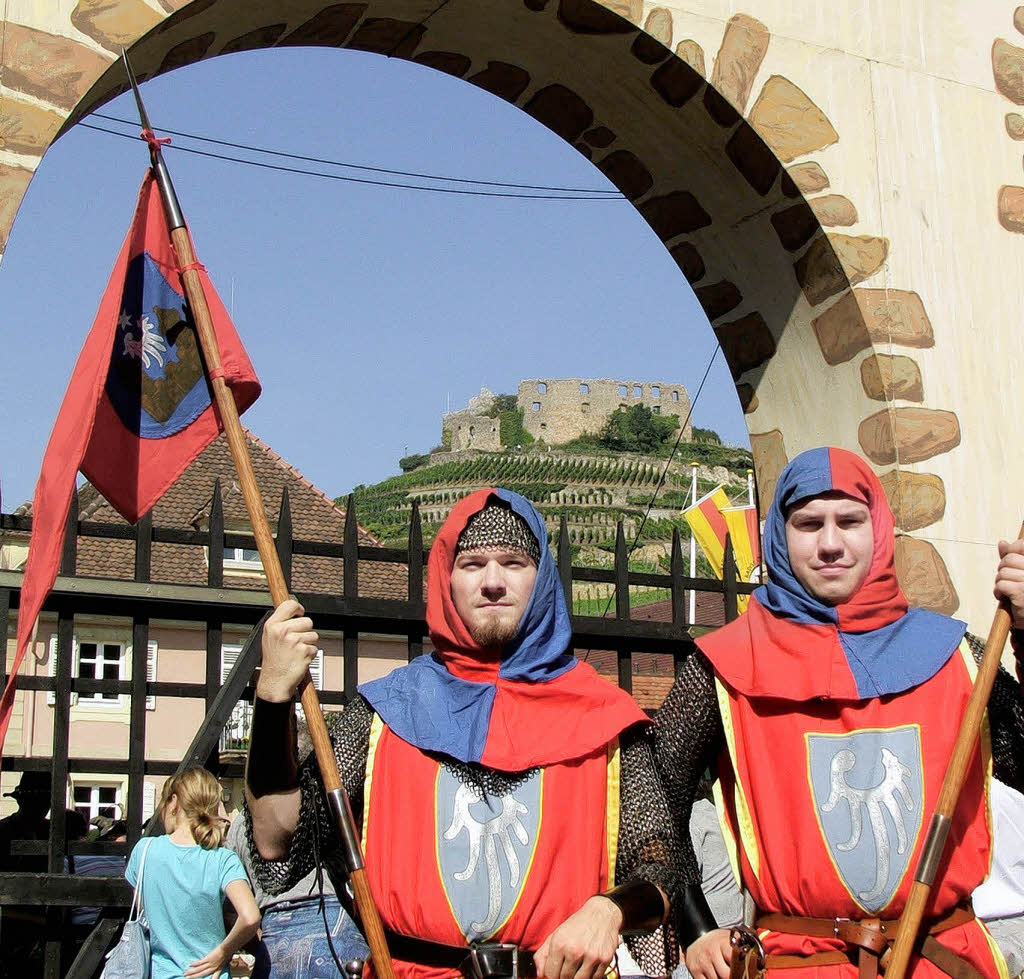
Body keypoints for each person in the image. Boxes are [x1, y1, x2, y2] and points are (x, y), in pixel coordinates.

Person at [245, 488, 686, 979]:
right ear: (446, 578)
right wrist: (271, 697)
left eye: (514, 563)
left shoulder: (606, 721)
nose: (493, 582)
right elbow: (274, 840)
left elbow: (661, 869)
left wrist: (610, 910)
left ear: (542, 580)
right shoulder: (384, 714)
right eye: (473, 564)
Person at [655, 446, 1024, 979]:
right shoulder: (726, 664)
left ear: (877, 528)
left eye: (849, 520)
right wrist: (694, 925)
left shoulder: (958, 658)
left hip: (943, 962)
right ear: (780, 537)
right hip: (795, 964)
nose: (830, 543)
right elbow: (651, 794)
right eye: (809, 523)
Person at [126, 767, 261, 979]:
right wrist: (223, 952)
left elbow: (144, 911)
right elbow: (251, 917)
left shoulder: (144, 851)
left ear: (174, 802)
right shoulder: (222, 858)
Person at [226, 795, 368, 976]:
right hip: (328, 922)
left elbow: (232, 915)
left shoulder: (242, 823)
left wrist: (268, 950)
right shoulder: (334, 806)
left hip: (281, 939)